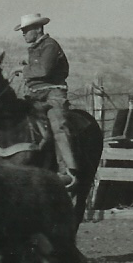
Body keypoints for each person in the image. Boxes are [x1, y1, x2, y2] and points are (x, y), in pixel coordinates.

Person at [15, 12, 79, 185]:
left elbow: (44, 71)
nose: (23, 34)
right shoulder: (35, 48)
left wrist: (24, 70)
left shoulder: (50, 45)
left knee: (58, 125)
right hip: (35, 95)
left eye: (26, 30)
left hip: (53, 94)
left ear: (37, 29)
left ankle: (68, 171)